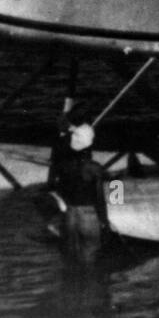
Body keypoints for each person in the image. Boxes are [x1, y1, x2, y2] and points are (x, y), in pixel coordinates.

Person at [48, 110, 109, 262]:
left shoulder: (64, 167)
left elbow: (56, 187)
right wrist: (106, 219)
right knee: (91, 255)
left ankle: (71, 282)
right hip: (89, 213)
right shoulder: (94, 168)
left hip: (70, 213)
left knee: (70, 254)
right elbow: (102, 194)